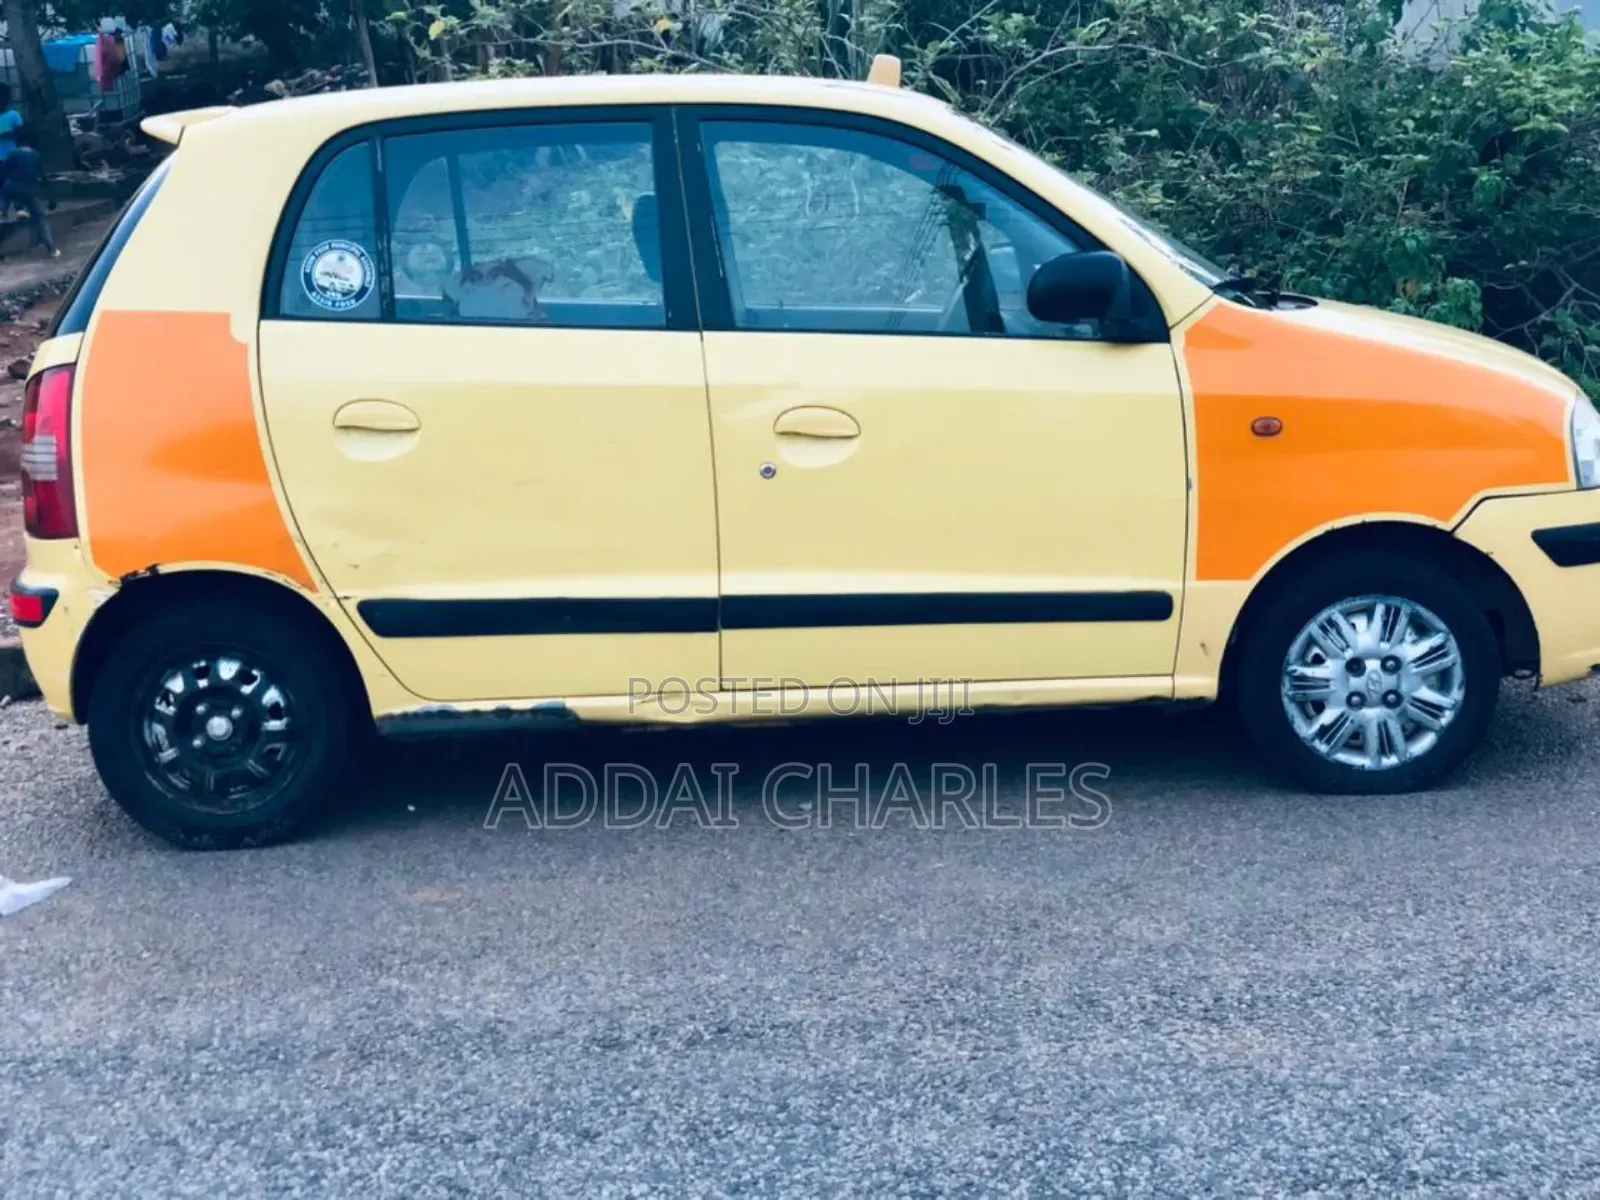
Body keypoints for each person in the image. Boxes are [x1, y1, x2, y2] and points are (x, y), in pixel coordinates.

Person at [2, 131, 59, 258]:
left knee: (1, 211)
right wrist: (51, 198)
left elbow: (4, 172)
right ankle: (51, 249)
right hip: (28, 190)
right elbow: (44, 179)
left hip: (9, 187)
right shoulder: (35, 155)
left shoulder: (13, 153)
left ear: (18, 141)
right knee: (39, 219)